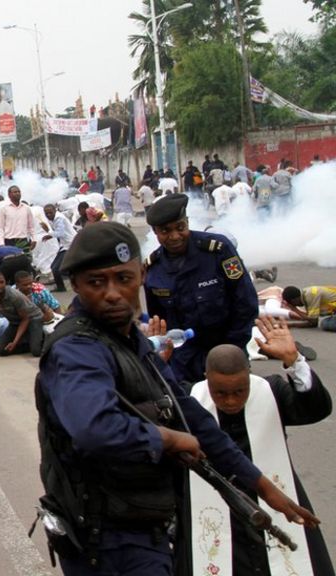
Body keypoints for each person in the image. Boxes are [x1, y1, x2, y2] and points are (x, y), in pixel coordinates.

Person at [34, 221, 318, 575]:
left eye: (123, 279)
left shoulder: (129, 340)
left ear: (140, 275)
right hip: (103, 539)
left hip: (141, 524)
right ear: (75, 285)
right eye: (96, 282)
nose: (112, 293)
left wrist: (260, 485)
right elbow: (95, 429)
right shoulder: (78, 349)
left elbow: (191, 416)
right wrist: (167, 438)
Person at [177, 322, 333, 576]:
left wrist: (294, 361)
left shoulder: (271, 391)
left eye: (240, 391)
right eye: (220, 393)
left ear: (249, 375)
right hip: (213, 509)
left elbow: (316, 408)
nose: (230, 401)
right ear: (206, 379)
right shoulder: (190, 398)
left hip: (274, 499)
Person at [144, 195, 258, 383]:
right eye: (165, 231)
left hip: (227, 349)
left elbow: (246, 303)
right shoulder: (153, 269)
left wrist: (233, 350)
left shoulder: (218, 250)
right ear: (155, 231)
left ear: (187, 222)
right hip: (183, 362)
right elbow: (160, 322)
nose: (174, 236)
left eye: (180, 227)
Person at [0, 271, 44, 356]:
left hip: (32, 318)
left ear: (5, 282)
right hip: (15, 322)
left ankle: (41, 340)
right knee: (1, 351)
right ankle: (28, 342)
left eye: (1, 282)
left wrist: (14, 342)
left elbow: (25, 319)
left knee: (36, 351)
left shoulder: (14, 296)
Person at [42, 204, 76, 292]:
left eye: (50, 213)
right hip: (65, 245)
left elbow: (60, 233)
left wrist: (48, 231)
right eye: (46, 213)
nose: (49, 215)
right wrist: (50, 236)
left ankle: (62, 287)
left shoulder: (58, 218)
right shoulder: (55, 218)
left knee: (56, 268)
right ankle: (62, 286)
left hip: (70, 245)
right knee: (54, 267)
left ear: (55, 210)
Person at [0, 185, 36, 253]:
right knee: (10, 262)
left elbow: (31, 226)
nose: (18, 193)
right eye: (15, 192)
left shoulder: (26, 208)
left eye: (19, 192)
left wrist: (33, 239)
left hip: (23, 240)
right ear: (9, 195)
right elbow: (0, 227)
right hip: (9, 241)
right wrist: (1, 243)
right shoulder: (3, 208)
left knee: (25, 261)